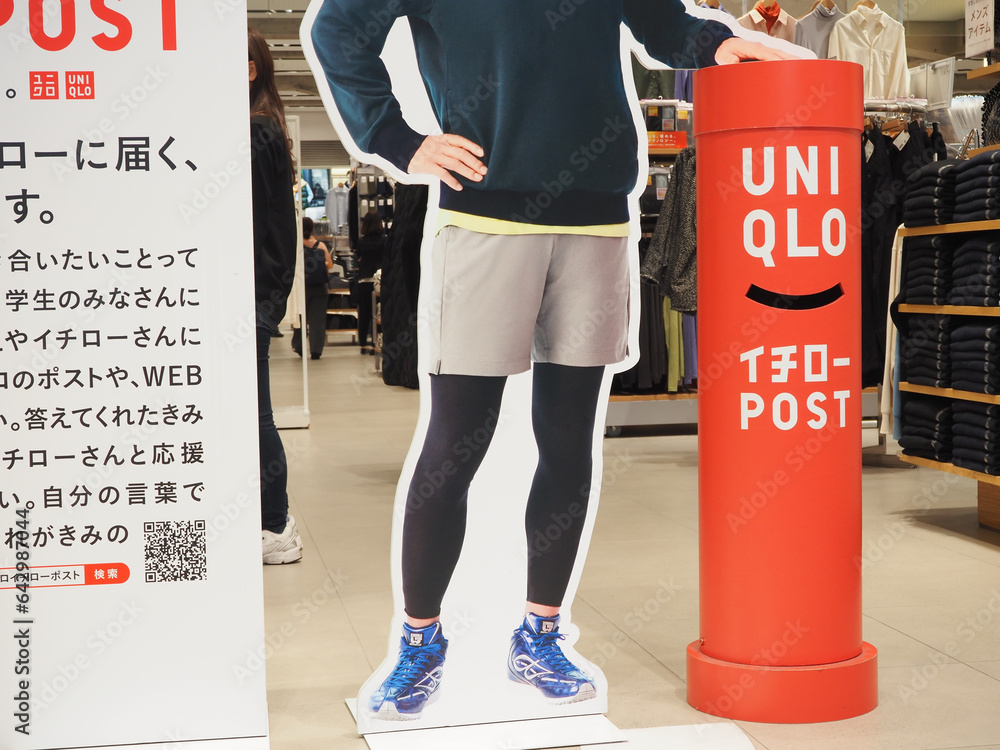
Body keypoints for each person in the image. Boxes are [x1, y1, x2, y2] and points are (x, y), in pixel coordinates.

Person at [311, 0, 795, 720]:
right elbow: (336, 30)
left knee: (569, 445)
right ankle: (420, 639)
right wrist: (395, 137)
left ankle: (539, 633)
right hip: (484, 215)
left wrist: (722, 43)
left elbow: (663, 26)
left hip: (597, 216)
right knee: (453, 445)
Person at [249, 27, 303, 565]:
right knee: (250, 409)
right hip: (255, 298)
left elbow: (267, 229)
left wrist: (266, 303)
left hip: (251, 301)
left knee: (255, 411)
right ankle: (269, 518)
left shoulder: (256, 131)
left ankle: (276, 522)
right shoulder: (262, 129)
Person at [300, 216, 334, 360]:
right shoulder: (320, 245)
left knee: (300, 318)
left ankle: (298, 345)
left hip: (302, 288)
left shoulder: (296, 245)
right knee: (318, 321)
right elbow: (330, 264)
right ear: (312, 228)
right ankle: (316, 350)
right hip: (320, 288)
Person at [356, 210, 385, 355]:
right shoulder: (385, 240)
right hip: (379, 281)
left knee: (364, 314)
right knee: (378, 314)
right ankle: (376, 343)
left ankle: (363, 344)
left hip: (364, 280)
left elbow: (359, 259)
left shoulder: (362, 241)